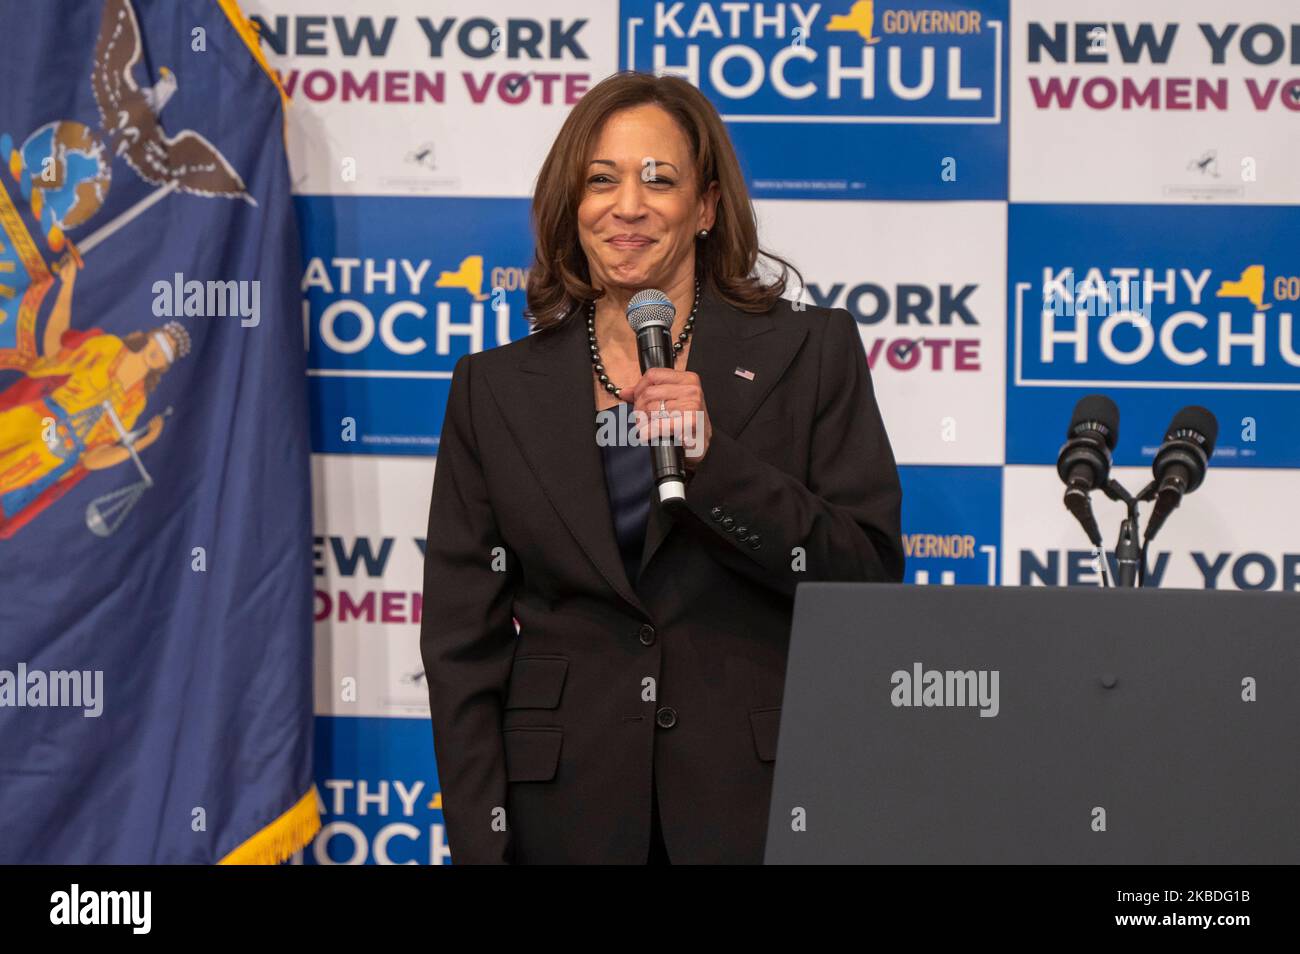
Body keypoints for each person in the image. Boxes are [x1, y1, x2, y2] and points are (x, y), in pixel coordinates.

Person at [420, 72, 904, 864]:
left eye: (660, 179)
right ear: (570, 207)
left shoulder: (811, 351)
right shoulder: (494, 388)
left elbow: (866, 578)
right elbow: (460, 647)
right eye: (600, 179)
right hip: (562, 819)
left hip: (759, 806)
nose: (628, 205)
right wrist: (482, 843)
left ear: (707, 207)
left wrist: (717, 464)